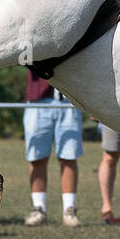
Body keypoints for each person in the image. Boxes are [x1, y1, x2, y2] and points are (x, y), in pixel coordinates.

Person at [22, 71, 82, 227]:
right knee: (37, 157)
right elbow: (22, 57)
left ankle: (69, 210)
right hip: (38, 101)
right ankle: (38, 209)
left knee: (69, 157)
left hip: (70, 100)